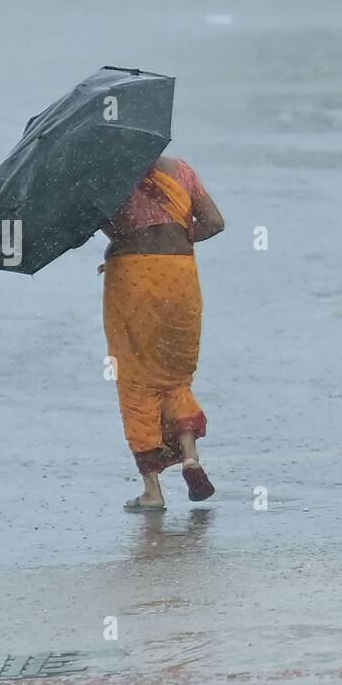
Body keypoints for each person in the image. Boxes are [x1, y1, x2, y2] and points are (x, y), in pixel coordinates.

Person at [101, 155, 224, 511]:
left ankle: (153, 491)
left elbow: (96, 228)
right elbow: (214, 223)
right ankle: (190, 458)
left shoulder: (108, 175)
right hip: (180, 274)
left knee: (137, 379)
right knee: (176, 377)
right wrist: (175, 238)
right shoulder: (182, 170)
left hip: (131, 276)